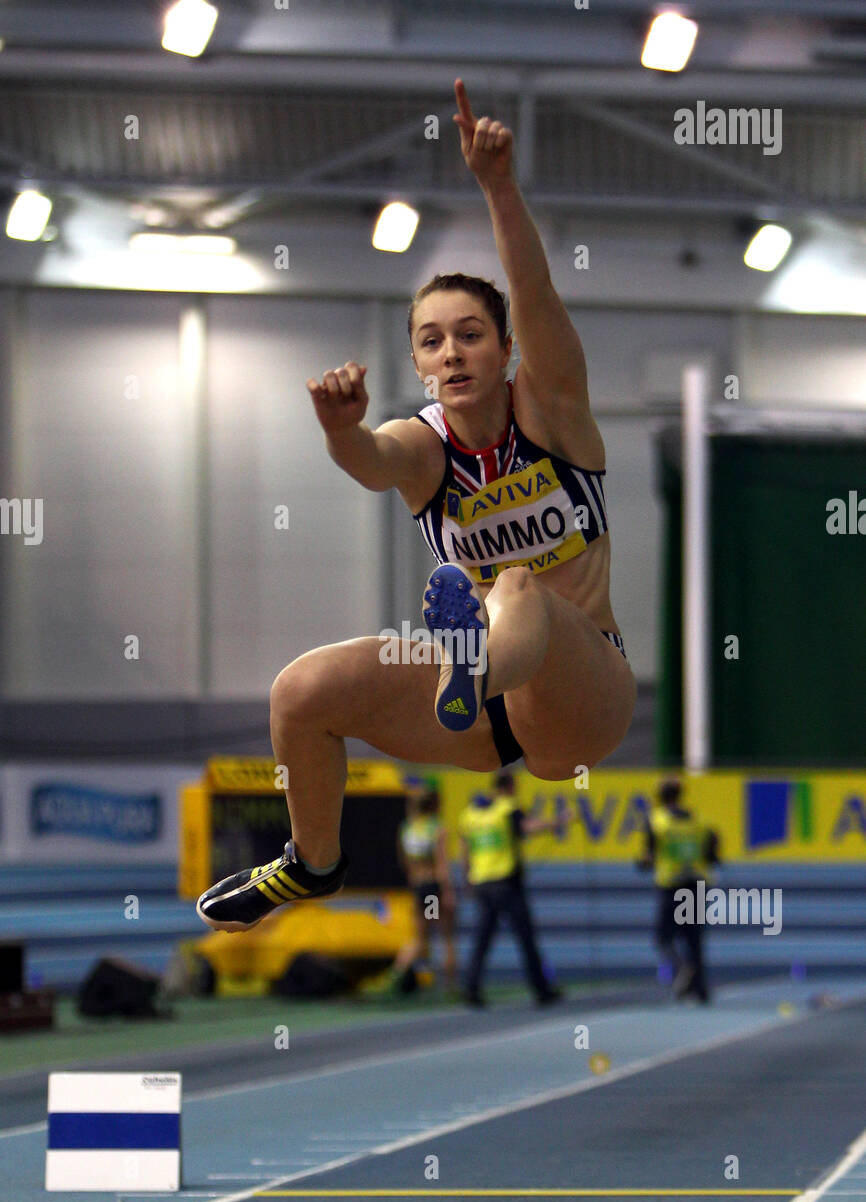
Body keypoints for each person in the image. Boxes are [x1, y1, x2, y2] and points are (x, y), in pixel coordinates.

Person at [196, 77, 636, 933]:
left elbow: (538, 298)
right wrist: (338, 429)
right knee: (301, 692)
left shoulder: (554, 416)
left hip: (583, 693)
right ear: (421, 362)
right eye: (432, 341)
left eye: (471, 333)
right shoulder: (426, 445)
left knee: (517, 586)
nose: (452, 351)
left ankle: (472, 663)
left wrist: (498, 188)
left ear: (505, 351)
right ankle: (313, 863)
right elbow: (371, 461)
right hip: (478, 721)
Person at [459, 772, 566, 1006]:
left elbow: (465, 848)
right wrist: (557, 822)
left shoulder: (471, 814)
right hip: (506, 882)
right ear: (507, 787)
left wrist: (467, 878)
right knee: (526, 938)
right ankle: (541, 990)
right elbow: (527, 827)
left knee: (482, 939)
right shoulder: (507, 808)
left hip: (482, 883)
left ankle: (471, 988)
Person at [640, 777, 721, 1004]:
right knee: (694, 938)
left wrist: (644, 863)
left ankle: (681, 969)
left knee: (663, 937)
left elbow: (649, 855)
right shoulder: (699, 821)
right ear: (680, 795)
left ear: (660, 797)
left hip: (671, 884)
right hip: (697, 883)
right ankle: (701, 989)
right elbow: (713, 848)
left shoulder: (657, 821)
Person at [390, 781, 457, 993]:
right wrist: (447, 891)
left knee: (420, 937)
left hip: (418, 886)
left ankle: (396, 974)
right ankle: (449, 987)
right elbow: (441, 864)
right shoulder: (437, 828)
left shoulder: (407, 828)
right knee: (445, 937)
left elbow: (403, 862)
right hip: (433, 888)